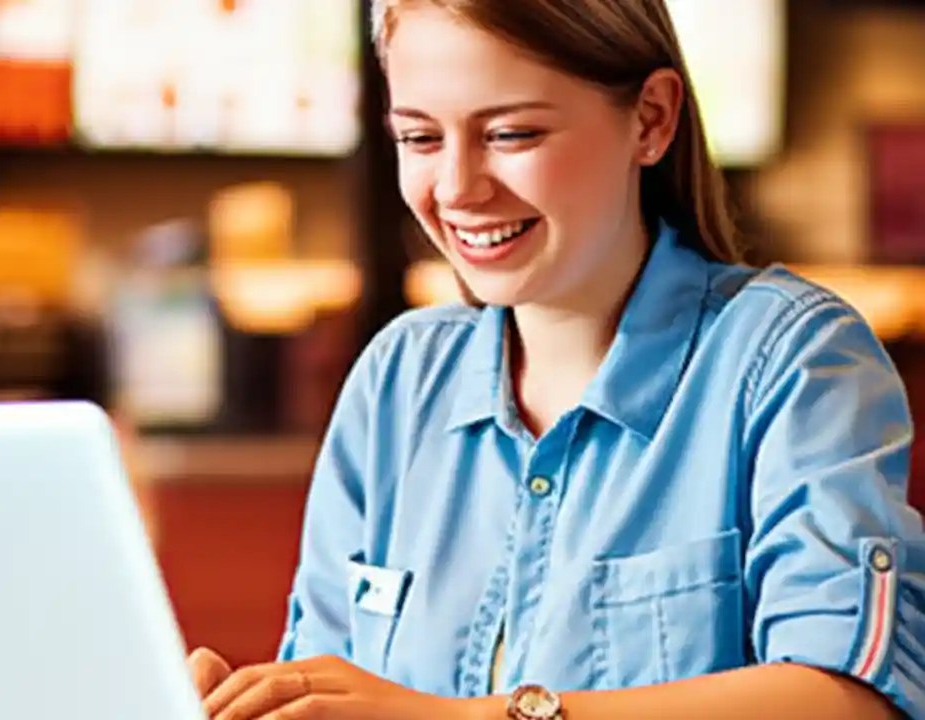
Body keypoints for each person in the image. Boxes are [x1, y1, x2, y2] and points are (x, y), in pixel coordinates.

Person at [187, 1, 925, 718]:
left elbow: (852, 698)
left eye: (510, 134)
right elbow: (326, 679)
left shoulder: (791, 358)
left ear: (651, 119)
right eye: (419, 139)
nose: (456, 189)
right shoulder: (396, 382)